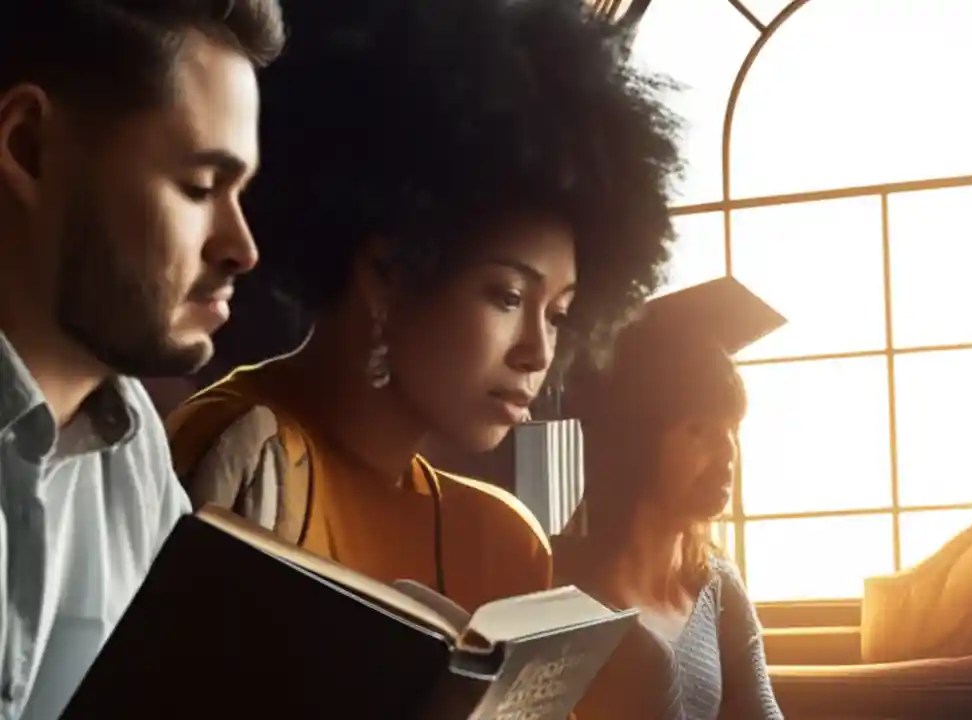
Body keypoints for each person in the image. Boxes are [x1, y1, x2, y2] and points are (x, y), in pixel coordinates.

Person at [164, 0, 680, 614]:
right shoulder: (251, 460)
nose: (537, 353)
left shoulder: (502, 542)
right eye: (508, 296)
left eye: (558, 315)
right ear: (388, 273)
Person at [0, 1, 284, 717]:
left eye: (241, 194)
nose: (242, 248)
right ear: (30, 147)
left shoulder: (133, 451)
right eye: (200, 187)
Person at [554, 281, 785, 720]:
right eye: (698, 430)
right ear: (636, 442)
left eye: (732, 429)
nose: (727, 453)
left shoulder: (716, 583)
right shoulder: (559, 593)